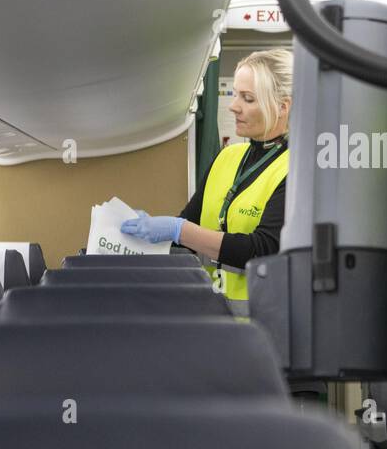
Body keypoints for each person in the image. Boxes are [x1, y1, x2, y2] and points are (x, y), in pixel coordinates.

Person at [121, 48, 292, 317]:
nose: (234, 106)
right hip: (210, 319)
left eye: (247, 98)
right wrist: (139, 237)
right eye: (235, 94)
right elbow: (189, 232)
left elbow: (261, 250)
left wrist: (178, 229)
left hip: (262, 329)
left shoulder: (296, 168)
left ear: (283, 106)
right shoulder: (227, 157)